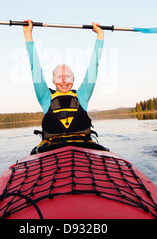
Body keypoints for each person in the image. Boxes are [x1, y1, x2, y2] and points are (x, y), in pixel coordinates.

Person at [23, 19, 107, 153]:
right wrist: (28, 35)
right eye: (59, 77)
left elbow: (94, 65)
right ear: (53, 81)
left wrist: (100, 35)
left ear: (73, 79)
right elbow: (35, 66)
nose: (63, 80)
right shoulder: (45, 97)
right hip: (53, 151)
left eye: (67, 76)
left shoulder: (82, 95)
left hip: (83, 149)